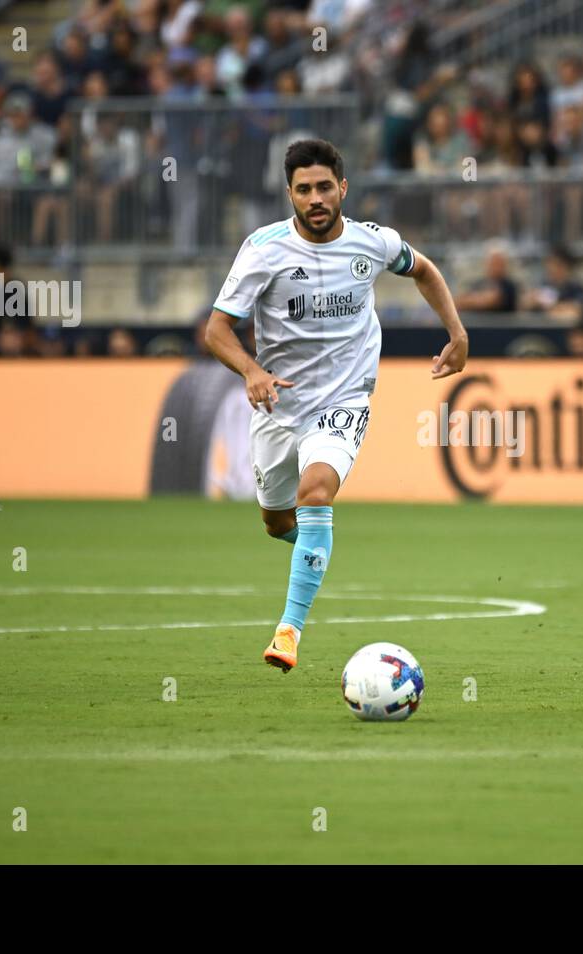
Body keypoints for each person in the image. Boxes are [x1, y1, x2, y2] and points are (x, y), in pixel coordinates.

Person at [204, 139, 468, 672]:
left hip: (344, 400)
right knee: (277, 522)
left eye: (325, 187)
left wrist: (457, 333)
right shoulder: (263, 249)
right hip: (279, 405)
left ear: (343, 188)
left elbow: (423, 270)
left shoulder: (372, 243)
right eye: (304, 190)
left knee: (316, 491)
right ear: (290, 195)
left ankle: (288, 630)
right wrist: (252, 370)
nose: (315, 198)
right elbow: (216, 330)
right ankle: (315, 551)